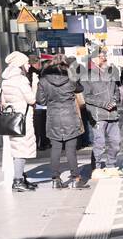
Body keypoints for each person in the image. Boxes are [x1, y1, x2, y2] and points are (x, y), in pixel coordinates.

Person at [37, 61, 87, 189]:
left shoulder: (43, 81)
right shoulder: (70, 80)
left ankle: (55, 178)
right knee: (71, 149)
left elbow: (41, 101)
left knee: (55, 148)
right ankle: (76, 177)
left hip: (53, 118)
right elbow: (80, 89)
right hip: (70, 116)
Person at [0, 51, 38, 193]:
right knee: (21, 149)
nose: (28, 65)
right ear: (20, 64)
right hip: (23, 118)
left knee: (17, 147)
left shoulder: (6, 80)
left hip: (13, 119)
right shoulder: (21, 80)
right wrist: (35, 84)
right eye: (27, 63)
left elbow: (3, 101)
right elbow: (32, 99)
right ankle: (18, 181)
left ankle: (21, 177)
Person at [83, 53, 123, 177]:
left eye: (104, 56)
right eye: (101, 56)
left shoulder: (111, 73)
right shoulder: (87, 76)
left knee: (116, 142)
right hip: (97, 115)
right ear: (95, 60)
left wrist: (115, 99)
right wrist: (104, 103)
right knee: (99, 143)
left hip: (112, 114)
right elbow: (86, 96)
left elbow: (117, 89)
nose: (105, 58)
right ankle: (96, 168)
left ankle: (110, 166)